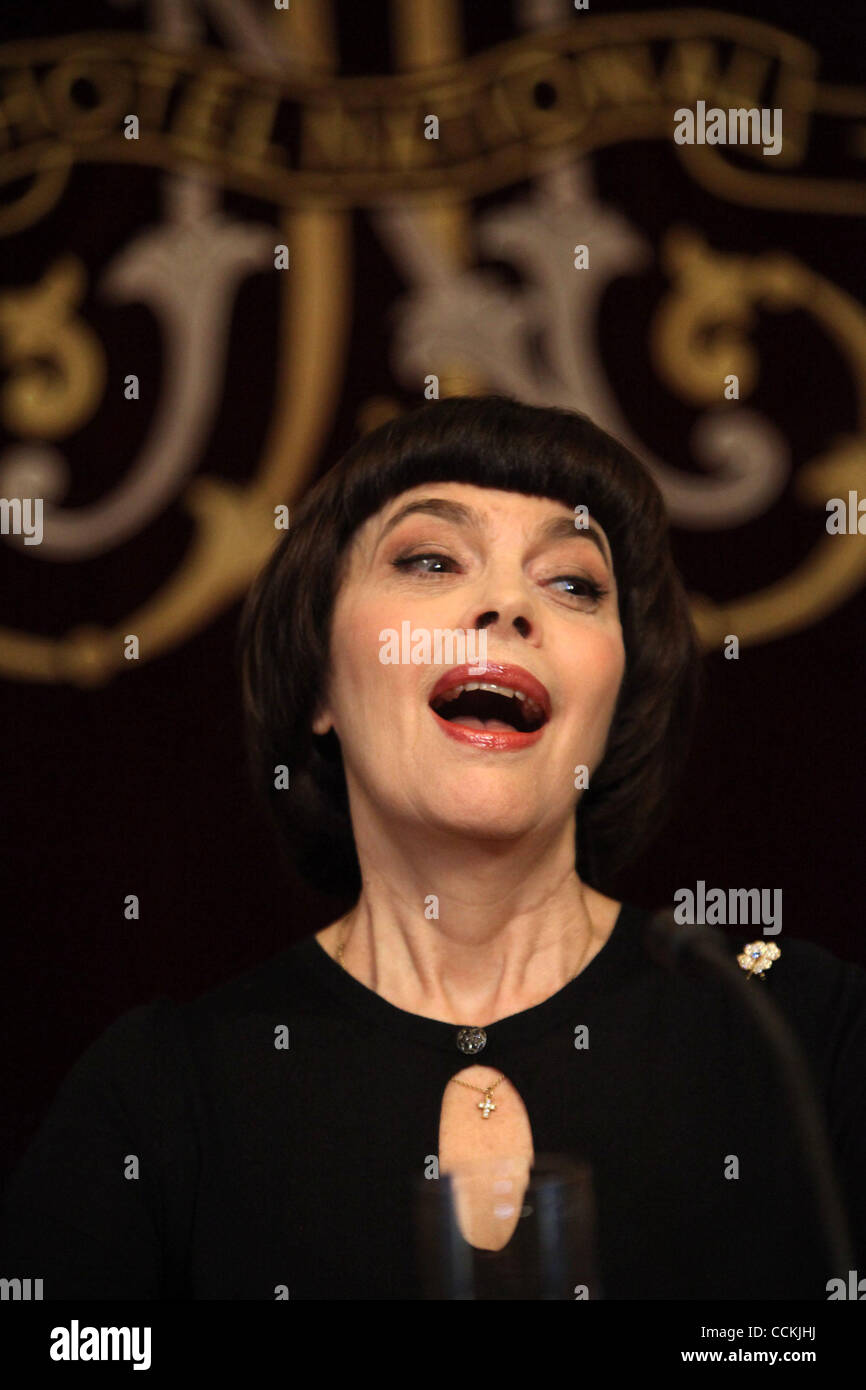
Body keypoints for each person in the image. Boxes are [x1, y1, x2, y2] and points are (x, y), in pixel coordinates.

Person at [2, 394, 864, 1299]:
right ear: (320, 686)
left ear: (616, 708)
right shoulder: (161, 1093)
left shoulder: (807, 1036)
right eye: (428, 559)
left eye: (572, 583)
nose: (506, 604)